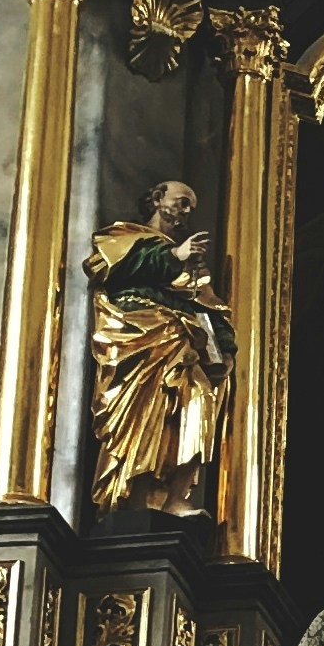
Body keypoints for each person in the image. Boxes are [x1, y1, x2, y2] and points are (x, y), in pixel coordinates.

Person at [83, 178, 234, 513]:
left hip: (183, 341)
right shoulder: (123, 236)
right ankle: (135, 498)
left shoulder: (190, 262)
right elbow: (117, 267)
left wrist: (225, 347)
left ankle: (176, 497)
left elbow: (207, 304)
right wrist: (174, 255)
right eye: (182, 201)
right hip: (140, 338)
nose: (185, 211)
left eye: (190, 207)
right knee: (145, 413)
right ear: (156, 198)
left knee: (200, 401)